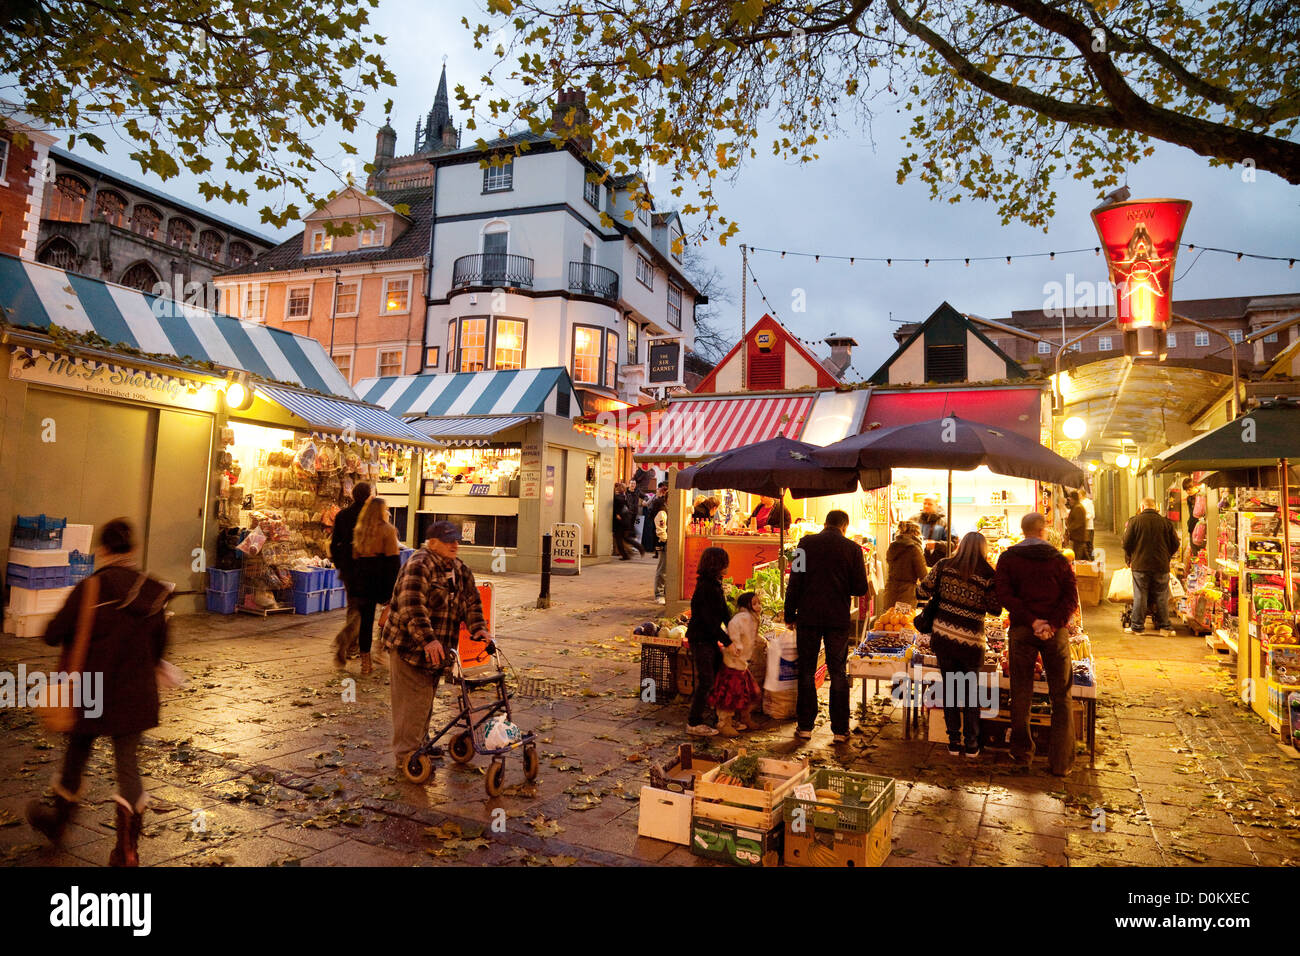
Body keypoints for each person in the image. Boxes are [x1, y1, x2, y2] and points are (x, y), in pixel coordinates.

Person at [26, 519, 172, 866]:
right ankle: (127, 851)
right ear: (133, 550)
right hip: (136, 693)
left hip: (91, 689)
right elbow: (161, 647)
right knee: (128, 766)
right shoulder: (153, 592)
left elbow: (53, 633)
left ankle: (58, 823)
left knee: (77, 752)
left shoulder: (91, 588)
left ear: (103, 551)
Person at [381, 520, 490, 773]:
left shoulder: (459, 569)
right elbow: (411, 606)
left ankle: (421, 744)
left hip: (437, 650)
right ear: (432, 543)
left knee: (425, 699)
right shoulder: (419, 564)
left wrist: (479, 628)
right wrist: (428, 639)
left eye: (456, 540)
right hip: (409, 647)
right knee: (412, 703)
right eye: (448, 540)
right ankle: (408, 757)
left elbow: (471, 602)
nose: (454, 545)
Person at [994, 512, 1078, 776]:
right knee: (1061, 696)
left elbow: (1004, 594)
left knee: (1021, 693)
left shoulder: (1008, 558)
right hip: (1056, 634)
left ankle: (1021, 755)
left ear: (1023, 530)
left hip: (1022, 629)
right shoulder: (1059, 560)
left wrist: (1032, 621)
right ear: (1043, 532)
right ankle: (1061, 763)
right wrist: (1051, 624)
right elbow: (1070, 598)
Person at [784, 510, 870, 743]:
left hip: (808, 617)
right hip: (837, 619)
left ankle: (805, 727)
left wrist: (789, 613)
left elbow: (794, 581)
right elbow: (860, 588)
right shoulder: (853, 549)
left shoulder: (804, 544)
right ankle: (840, 730)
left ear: (825, 524)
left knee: (807, 670)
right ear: (845, 526)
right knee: (838, 671)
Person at [918, 532, 1001, 757]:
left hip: (944, 638)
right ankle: (972, 744)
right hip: (972, 642)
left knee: (952, 689)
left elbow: (922, 591)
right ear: (983, 549)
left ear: (961, 545)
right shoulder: (988, 574)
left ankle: (953, 742)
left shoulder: (944, 565)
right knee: (971, 693)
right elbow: (996, 608)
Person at [351, 497, 402, 675]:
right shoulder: (388, 530)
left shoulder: (359, 530)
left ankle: (366, 663)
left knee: (366, 620)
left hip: (363, 576)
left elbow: (355, 556)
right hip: (382, 575)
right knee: (391, 614)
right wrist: (395, 583)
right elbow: (393, 559)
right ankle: (381, 650)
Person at [686, 546, 732, 737]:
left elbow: (723, 612)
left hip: (708, 638)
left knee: (716, 676)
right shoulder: (707, 588)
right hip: (701, 639)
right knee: (706, 680)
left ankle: (718, 716)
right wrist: (728, 641)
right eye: (724, 563)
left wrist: (734, 626)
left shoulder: (714, 584)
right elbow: (710, 621)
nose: (727, 567)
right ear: (717, 565)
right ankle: (694, 722)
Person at [708, 591, 765, 736]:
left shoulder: (752, 618)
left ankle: (745, 718)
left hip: (742, 663)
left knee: (747, 693)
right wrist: (736, 645)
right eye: (754, 603)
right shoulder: (742, 618)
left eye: (759, 603)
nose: (758, 606)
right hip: (733, 662)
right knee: (730, 695)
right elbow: (733, 628)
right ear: (747, 605)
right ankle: (724, 723)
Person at [1122, 496, 1181, 636]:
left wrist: (1131, 558)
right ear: (1155, 507)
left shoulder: (1134, 521)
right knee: (1161, 596)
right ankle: (1165, 627)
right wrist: (1166, 556)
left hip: (1140, 565)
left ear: (1142, 507)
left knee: (1140, 595)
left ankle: (1137, 627)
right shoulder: (1165, 523)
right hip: (1161, 565)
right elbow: (1175, 544)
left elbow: (1126, 543)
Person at [329, 481, 372, 664]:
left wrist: (340, 563)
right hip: (368, 568)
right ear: (369, 496)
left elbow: (334, 543)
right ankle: (349, 642)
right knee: (363, 608)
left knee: (353, 605)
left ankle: (351, 644)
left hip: (348, 568)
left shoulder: (342, 515)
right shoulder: (372, 517)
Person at [880, 521, 927, 611]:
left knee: (889, 622)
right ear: (916, 533)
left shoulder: (892, 546)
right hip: (906, 595)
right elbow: (923, 575)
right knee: (903, 623)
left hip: (890, 592)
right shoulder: (914, 549)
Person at [909, 497, 948, 566]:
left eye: (930, 504)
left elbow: (952, 544)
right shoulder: (913, 519)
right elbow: (903, 536)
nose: (926, 506)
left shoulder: (945, 522)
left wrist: (936, 545)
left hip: (938, 564)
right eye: (924, 503)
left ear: (937, 505)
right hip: (915, 563)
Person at [641, 481, 668, 556]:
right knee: (656, 533)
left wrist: (651, 515)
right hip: (656, 518)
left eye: (658, 490)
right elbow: (646, 504)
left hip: (658, 518)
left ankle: (658, 550)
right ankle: (656, 550)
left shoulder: (659, 500)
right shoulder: (656, 498)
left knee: (658, 534)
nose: (657, 491)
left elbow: (654, 509)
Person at [612, 481, 636, 560]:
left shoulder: (620, 497)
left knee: (620, 540)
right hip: (624, 521)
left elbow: (617, 502)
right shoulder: (624, 496)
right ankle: (628, 553)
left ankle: (626, 555)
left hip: (621, 522)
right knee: (624, 539)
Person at [653, 501, 669, 604]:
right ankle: (659, 594)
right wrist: (665, 539)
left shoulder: (667, 511)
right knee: (662, 569)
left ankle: (663, 593)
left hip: (667, 541)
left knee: (665, 569)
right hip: (665, 542)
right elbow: (660, 528)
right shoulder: (663, 512)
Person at [1065, 491, 1088, 558]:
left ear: (1073, 499)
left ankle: (1088, 567)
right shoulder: (1076, 507)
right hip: (1077, 538)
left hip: (1079, 538)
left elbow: (1077, 523)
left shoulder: (1078, 508)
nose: (1069, 501)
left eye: (1070, 499)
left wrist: (1069, 528)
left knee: (1078, 557)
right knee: (1083, 557)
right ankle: (1089, 567)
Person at [1079, 489, 1096, 560]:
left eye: (1078, 494)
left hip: (1088, 528)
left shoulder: (1088, 502)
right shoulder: (1080, 502)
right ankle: (1087, 561)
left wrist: (1083, 518)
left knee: (1089, 545)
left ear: (1081, 495)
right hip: (1083, 528)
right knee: (1084, 545)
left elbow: (1091, 514)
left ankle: (1092, 560)